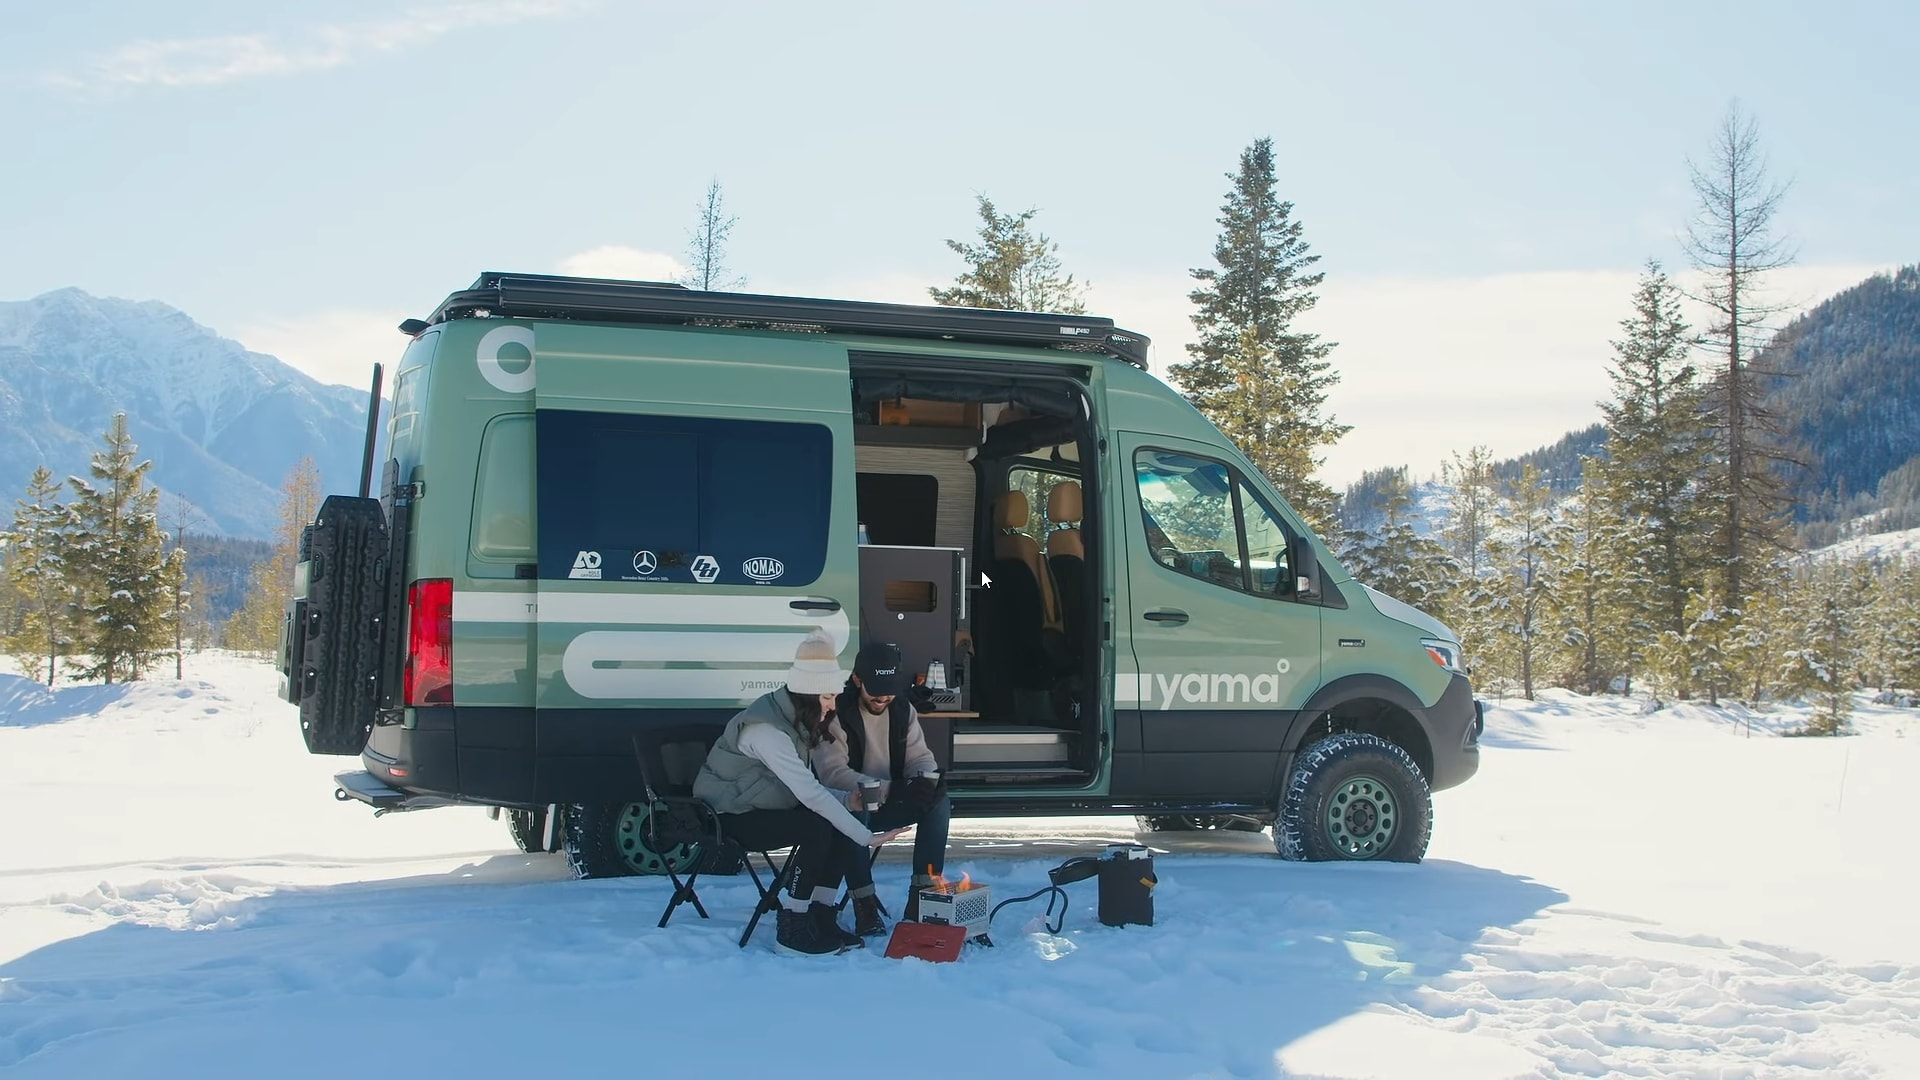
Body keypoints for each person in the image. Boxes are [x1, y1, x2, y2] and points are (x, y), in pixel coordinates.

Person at [694, 628, 907, 956]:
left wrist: (846, 801)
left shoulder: (793, 720)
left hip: (759, 803)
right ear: (807, 695)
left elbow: (808, 789)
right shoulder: (767, 730)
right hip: (728, 813)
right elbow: (808, 794)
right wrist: (867, 837)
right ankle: (792, 925)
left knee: (833, 820)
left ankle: (821, 916)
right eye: (826, 698)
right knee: (817, 827)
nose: (832, 706)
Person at [813, 642, 953, 937]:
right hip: (847, 803)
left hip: (891, 798)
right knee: (859, 805)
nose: (883, 696)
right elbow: (833, 773)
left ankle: (922, 897)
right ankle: (865, 905)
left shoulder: (902, 708)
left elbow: (919, 756)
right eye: (875, 688)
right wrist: (892, 789)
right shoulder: (835, 713)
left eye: (889, 687)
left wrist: (925, 781)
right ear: (857, 681)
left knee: (939, 804)